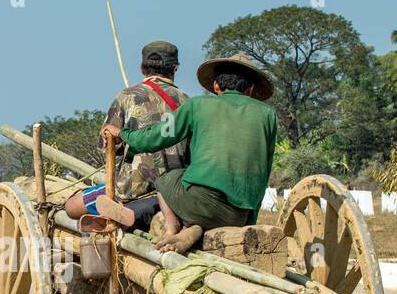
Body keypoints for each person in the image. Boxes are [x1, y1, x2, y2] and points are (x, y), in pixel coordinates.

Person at [103, 54, 277, 254]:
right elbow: (264, 172)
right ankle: (195, 229)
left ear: (216, 87)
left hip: (197, 205)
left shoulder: (197, 105)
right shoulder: (267, 115)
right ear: (250, 89)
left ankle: (172, 229)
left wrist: (123, 133)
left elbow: (153, 139)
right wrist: (249, 221)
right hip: (238, 216)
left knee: (165, 180)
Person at [64, 40, 190, 229]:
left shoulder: (128, 96)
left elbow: (107, 145)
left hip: (131, 188)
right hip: (176, 188)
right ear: (174, 68)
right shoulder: (187, 102)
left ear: (142, 68)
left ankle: (112, 211)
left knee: (71, 207)